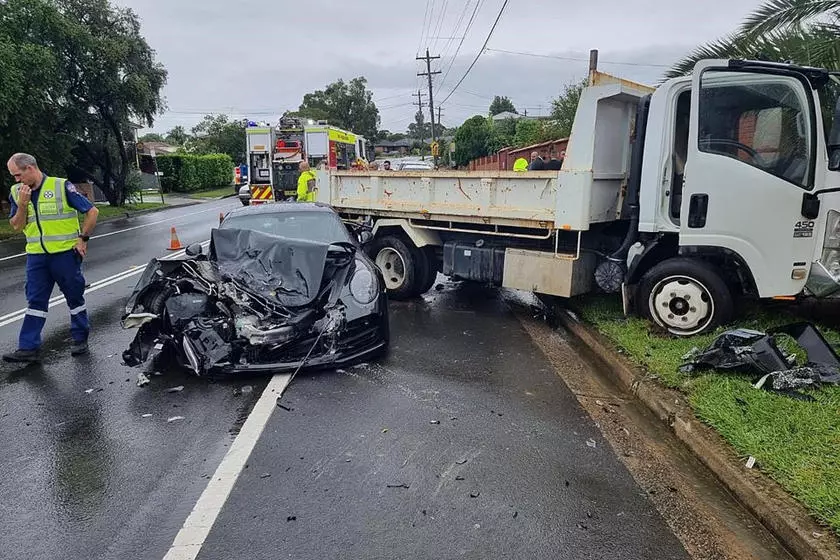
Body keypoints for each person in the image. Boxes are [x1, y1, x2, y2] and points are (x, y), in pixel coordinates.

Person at [3, 153, 99, 363]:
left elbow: (92, 211)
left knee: (74, 298)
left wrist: (83, 239)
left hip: (65, 255)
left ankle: (80, 338)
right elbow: (17, 226)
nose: (16, 180)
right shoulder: (17, 192)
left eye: (18, 175)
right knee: (35, 301)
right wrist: (22, 204)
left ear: (30, 168)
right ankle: (28, 348)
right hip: (37, 257)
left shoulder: (60, 186)